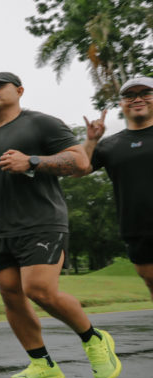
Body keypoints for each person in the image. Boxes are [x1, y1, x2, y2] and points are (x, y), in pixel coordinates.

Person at [0, 71, 120, 378]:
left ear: (20, 91)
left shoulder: (42, 123)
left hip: (43, 221)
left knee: (39, 290)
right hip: (2, 227)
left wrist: (32, 161)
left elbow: (80, 162)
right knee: (10, 294)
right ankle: (42, 364)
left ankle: (93, 338)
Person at [79, 77, 153, 299]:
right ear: (121, 104)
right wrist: (91, 141)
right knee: (150, 280)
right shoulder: (110, 145)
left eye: (145, 93)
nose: (137, 99)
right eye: (130, 96)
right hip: (136, 228)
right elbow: (79, 169)